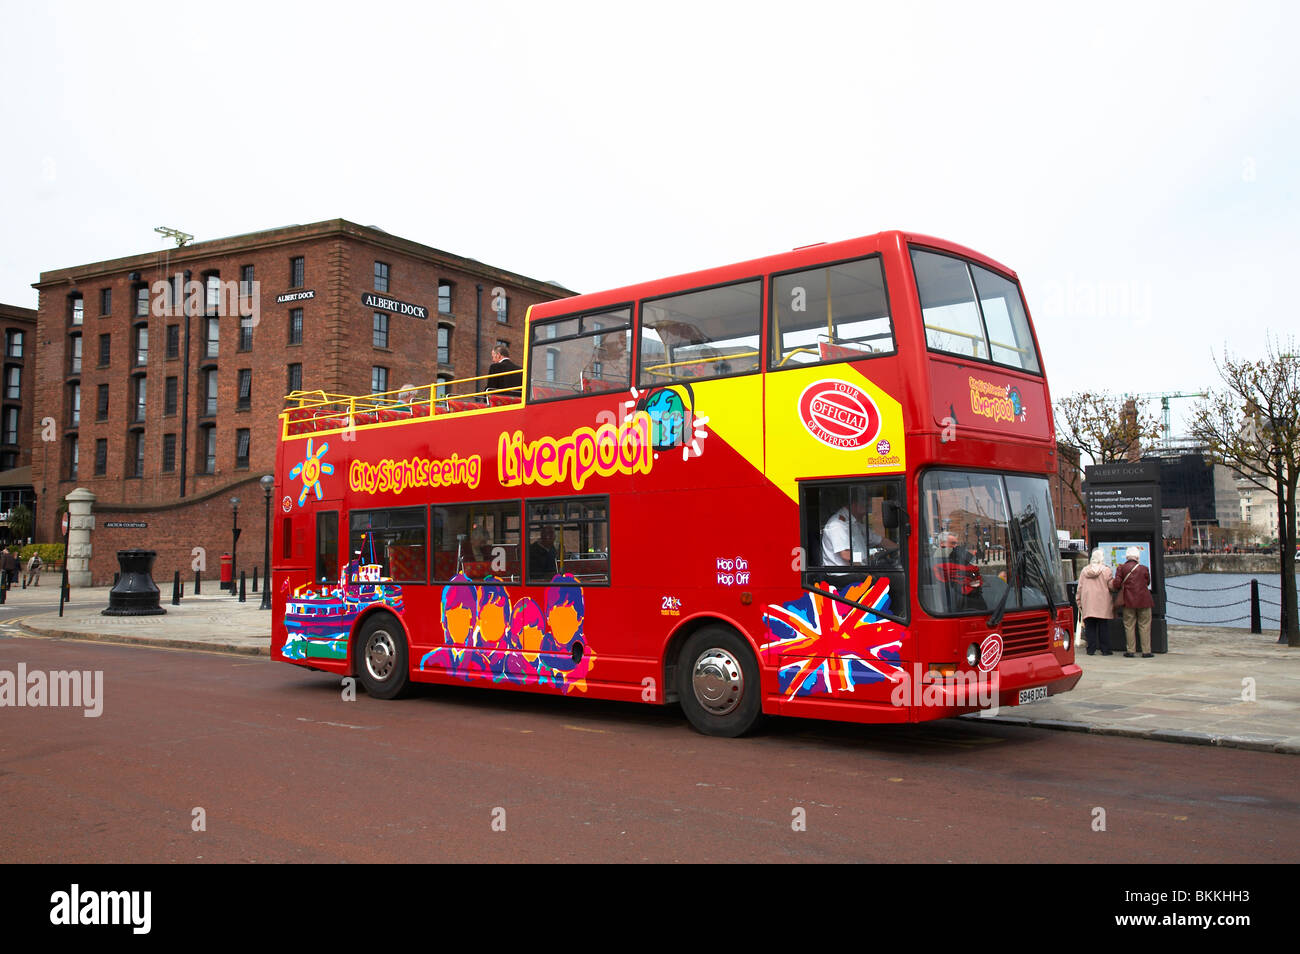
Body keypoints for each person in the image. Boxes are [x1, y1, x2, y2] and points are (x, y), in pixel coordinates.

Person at [820, 494, 897, 566]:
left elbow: (880, 541)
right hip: (844, 576)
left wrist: (899, 549)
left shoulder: (855, 524)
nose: (867, 511)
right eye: (866, 506)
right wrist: (865, 568)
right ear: (855, 505)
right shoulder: (837, 525)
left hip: (857, 570)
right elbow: (847, 556)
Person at [1111, 546, 1155, 658]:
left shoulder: (1121, 568)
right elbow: (1148, 582)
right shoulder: (1144, 568)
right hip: (1144, 600)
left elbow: (1116, 584)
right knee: (1145, 625)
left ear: (1127, 556)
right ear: (1137, 557)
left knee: (1129, 625)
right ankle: (1146, 651)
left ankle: (1131, 650)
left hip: (1128, 601)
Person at [1075, 549, 1114, 656]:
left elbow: (1080, 588)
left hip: (1088, 603)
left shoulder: (1084, 571)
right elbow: (1111, 586)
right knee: (1103, 627)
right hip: (1103, 604)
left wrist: (1079, 602)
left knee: (1090, 627)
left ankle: (1090, 649)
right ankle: (1105, 649)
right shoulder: (1106, 570)